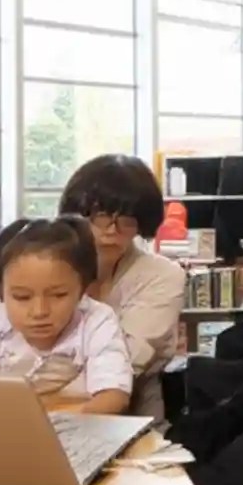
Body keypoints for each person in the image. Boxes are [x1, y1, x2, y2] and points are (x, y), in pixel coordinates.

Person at [0, 216, 133, 415]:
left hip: (77, 429)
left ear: (83, 290)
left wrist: (45, 419)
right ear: (0, 292)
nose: (40, 311)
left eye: (58, 295)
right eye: (22, 297)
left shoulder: (97, 319)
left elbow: (113, 396)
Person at [58, 154, 186, 422]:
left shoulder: (161, 275)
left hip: (131, 422)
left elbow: (123, 367)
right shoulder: (50, 266)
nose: (113, 230)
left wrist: (42, 398)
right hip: (45, 413)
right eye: (101, 215)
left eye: (128, 219)